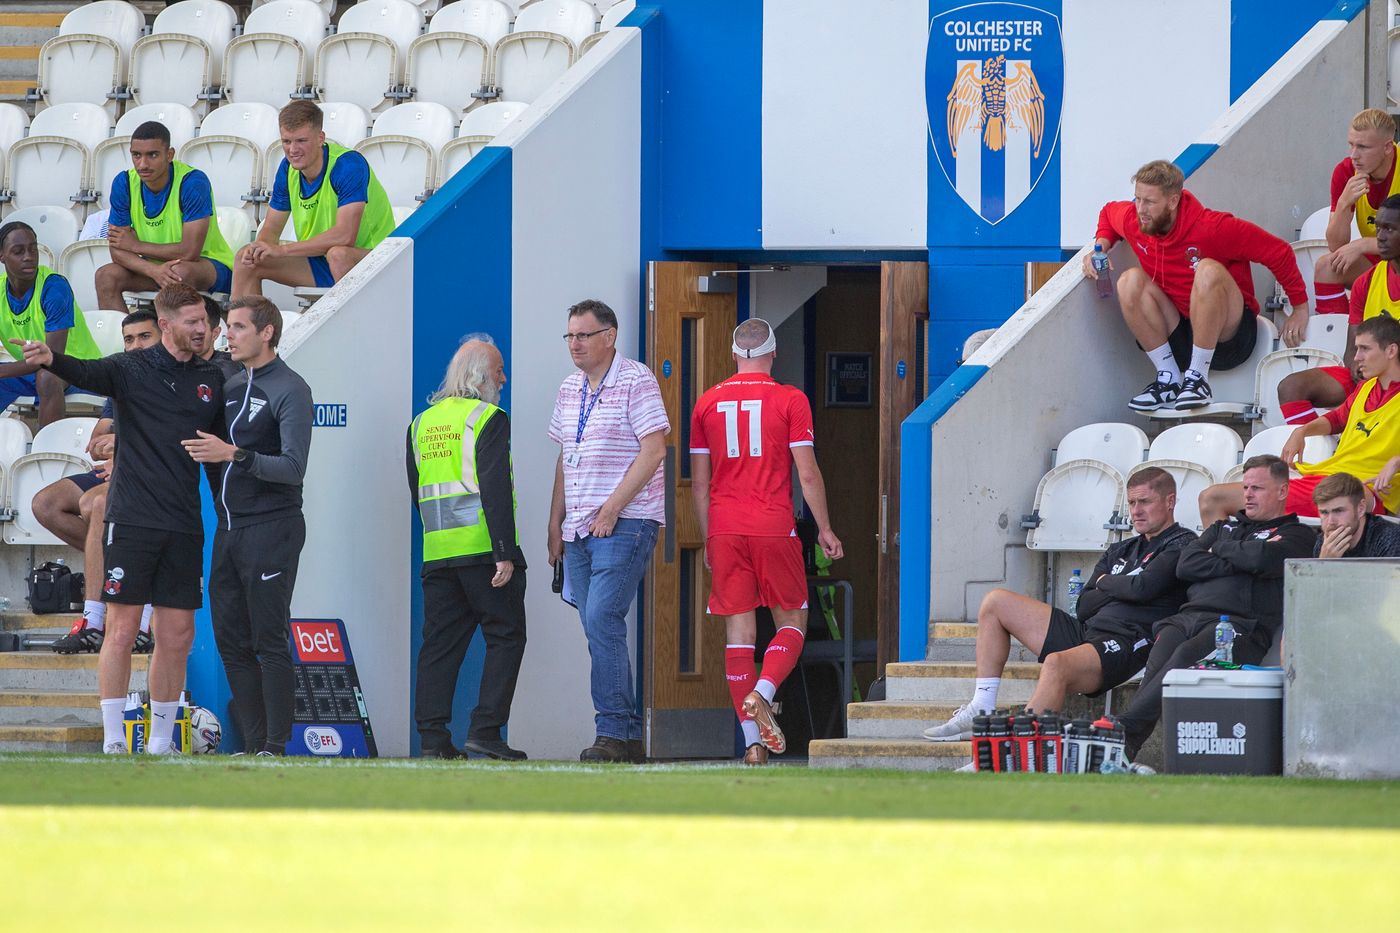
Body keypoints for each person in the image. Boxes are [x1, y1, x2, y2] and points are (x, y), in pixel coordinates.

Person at [14, 283, 226, 755]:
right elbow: (84, 370)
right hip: (131, 519)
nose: (202, 328)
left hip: (184, 523)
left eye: (203, 321)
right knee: (123, 628)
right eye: (192, 321)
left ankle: (160, 744)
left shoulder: (211, 376)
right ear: (167, 325)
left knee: (177, 634)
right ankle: (113, 740)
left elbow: (215, 454)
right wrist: (49, 357)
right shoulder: (130, 369)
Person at [923, 468, 1195, 742]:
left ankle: (1016, 752)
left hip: (1127, 642)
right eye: (1132, 503)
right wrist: (1124, 584)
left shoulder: (1182, 544)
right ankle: (981, 704)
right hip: (1087, 632)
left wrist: (1107, 581)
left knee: (1056, 663)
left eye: (1145, 502)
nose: (1136, 511)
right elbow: (1086, 606)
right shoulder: (1121, 550)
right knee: (996, 602)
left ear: (1170, 501)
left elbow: (1144, 588)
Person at [688, 319, 844, 765]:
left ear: (733, 354)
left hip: (725, 529)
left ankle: (752, 743)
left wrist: (708, 539)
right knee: (792, 621)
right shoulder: (790, 399)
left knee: (739, 637)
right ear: (773, 354)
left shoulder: (706, 404)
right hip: (773, 525)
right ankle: (764, 690)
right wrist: (826, 529)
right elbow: (807, 473)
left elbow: (700, 486)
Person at [1115, 455, 1317, 760]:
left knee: (1182, 660)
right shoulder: (1224, 526)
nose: (1248, 494)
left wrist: (1220, 551)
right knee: (1158, 663)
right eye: (1246, 487)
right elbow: (1186, 564)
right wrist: (1240, 559)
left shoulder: (1296, 535)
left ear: (1282, 492)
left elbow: (1261, 559)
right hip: (1188, 617)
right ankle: (1125, 748)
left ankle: (1118, 735)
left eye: (1257, 488)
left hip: (1239, 628)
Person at [182, 297, 312, 757]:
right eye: (228, 328)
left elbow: (293, 467)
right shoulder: (232, 385)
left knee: (269, 638)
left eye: (237, 327)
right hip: (229, 531)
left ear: (267, 333)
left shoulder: (290, 388)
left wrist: (234, 455)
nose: (227, 336)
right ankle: (255, 744)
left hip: (272, 528)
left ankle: (276, 746)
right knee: (231, 641)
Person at [547, 299, 669, 763]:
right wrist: (553, 522)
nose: (575, 344)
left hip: (625, 522)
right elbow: (565, 458)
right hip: (579, 528)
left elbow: (655, 450)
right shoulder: (568, 388)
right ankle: (626, 736)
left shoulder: (636, 379)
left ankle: (614, 732)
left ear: (610, 336)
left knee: (601, 619)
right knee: (596, 625)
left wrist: (612, 509)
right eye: (570, 336)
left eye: (584, 335)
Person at [1085, 160, 1309, 411]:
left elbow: (1278, 252)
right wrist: (1100, 246)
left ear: (1172, 201)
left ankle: (1198, 379)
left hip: (1231, 338)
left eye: (1149, 202)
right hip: (1182, 334)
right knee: (1129, 280)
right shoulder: (1134, 220)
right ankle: (1168, 379)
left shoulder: (1213, 227)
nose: (1140, 209)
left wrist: (1299, 307)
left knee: (1207, 269)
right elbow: (1107, 213)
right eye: (1137, 199)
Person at [408, 336, 527, 761]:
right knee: (506, 636)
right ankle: (486, 731)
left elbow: (416, 490)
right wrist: (504, 551)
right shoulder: (489, 417)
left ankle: (432, 738)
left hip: (438, 553)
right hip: (483, 551)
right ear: (480, 377)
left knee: (439, 645)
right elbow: (494, 485)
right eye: (498, 371)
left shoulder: (421, 423)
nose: (503, 378)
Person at [1200, 315, 1400, 523]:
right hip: (1328, 478)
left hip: (1362, 490)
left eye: (1365, 349)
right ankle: (1218, 555)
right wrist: (1301, 431)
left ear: (1391, 351)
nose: (1356, 357)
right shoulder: (1366, 387)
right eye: (1356, 348)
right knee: (1211, 498)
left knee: (1220, 499)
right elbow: (1337, 418)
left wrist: (1396, 461)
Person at [41, 311, 160, 655]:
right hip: (116, 465)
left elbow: (164, 435)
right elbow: (97, 437)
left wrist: (120, 445)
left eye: (144, 337)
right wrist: (114, 443)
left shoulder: (170, 376)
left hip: (144, 470)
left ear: (163, 336)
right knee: (45, 504)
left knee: (95, 504)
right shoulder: (122, 373)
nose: (135, 346)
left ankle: (94, 619)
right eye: (129, 339)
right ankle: (119, 571)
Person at [231, 101, 394, 298]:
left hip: (373, 261)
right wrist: (259, 248)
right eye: (286, 141)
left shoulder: (348, 164)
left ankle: (352, 324)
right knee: (246, 259)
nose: (292, 150)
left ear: (320, 138)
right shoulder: (287, 168)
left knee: (338, 254)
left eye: (301, 141)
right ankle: (243, 326)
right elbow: (271, 230)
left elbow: (345, 236)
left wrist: (282, 251)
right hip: (321, 259)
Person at [1276, 195, 1400, 426]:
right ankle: (1319, 449)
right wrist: (1360, 371)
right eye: (1378, 228)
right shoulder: (1367, 281)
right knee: (1291, 386)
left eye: (1390, 229)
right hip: (1370, 378)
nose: (1380, 237)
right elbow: (1352, 350)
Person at [94, 120, 235, 311]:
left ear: (169, 155)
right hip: (156, 268)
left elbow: (189, 252)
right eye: (136, 155)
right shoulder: (124, 182)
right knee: (105, 276)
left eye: (152, 155)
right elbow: (117, 251)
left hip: (207, 265)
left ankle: (174, 339)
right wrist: (154, 270)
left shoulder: (192, 181)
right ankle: (127, 338)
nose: (143, 164)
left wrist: (136, 245)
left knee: (179, 273)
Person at [0, 221, 103, 426]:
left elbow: (52, 359)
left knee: (47, 376)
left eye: (33, 248)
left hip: (81, 370)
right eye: (18, 251)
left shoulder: (54, 287)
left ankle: (46, 450)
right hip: (33, 371)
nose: (28, 257)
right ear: (2, 256)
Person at [1311, 109, 1398, 319]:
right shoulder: (1345, 171)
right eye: (1351, 145)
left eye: (1363, 147)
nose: (1354, 155)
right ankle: (1337, 338)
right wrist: (1343, 204)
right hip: (1382, 260)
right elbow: (1336, 246)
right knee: (1326, 267)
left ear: (1388, 147)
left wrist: (1363, 244)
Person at [1312, 472, 1400, 559]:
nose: (1330, 522)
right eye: (1324, 512)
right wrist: (1324, 563)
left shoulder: (1390, 538)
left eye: (1338, 511)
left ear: (1361, 509)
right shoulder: (1325, 544)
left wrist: (1325, 565)